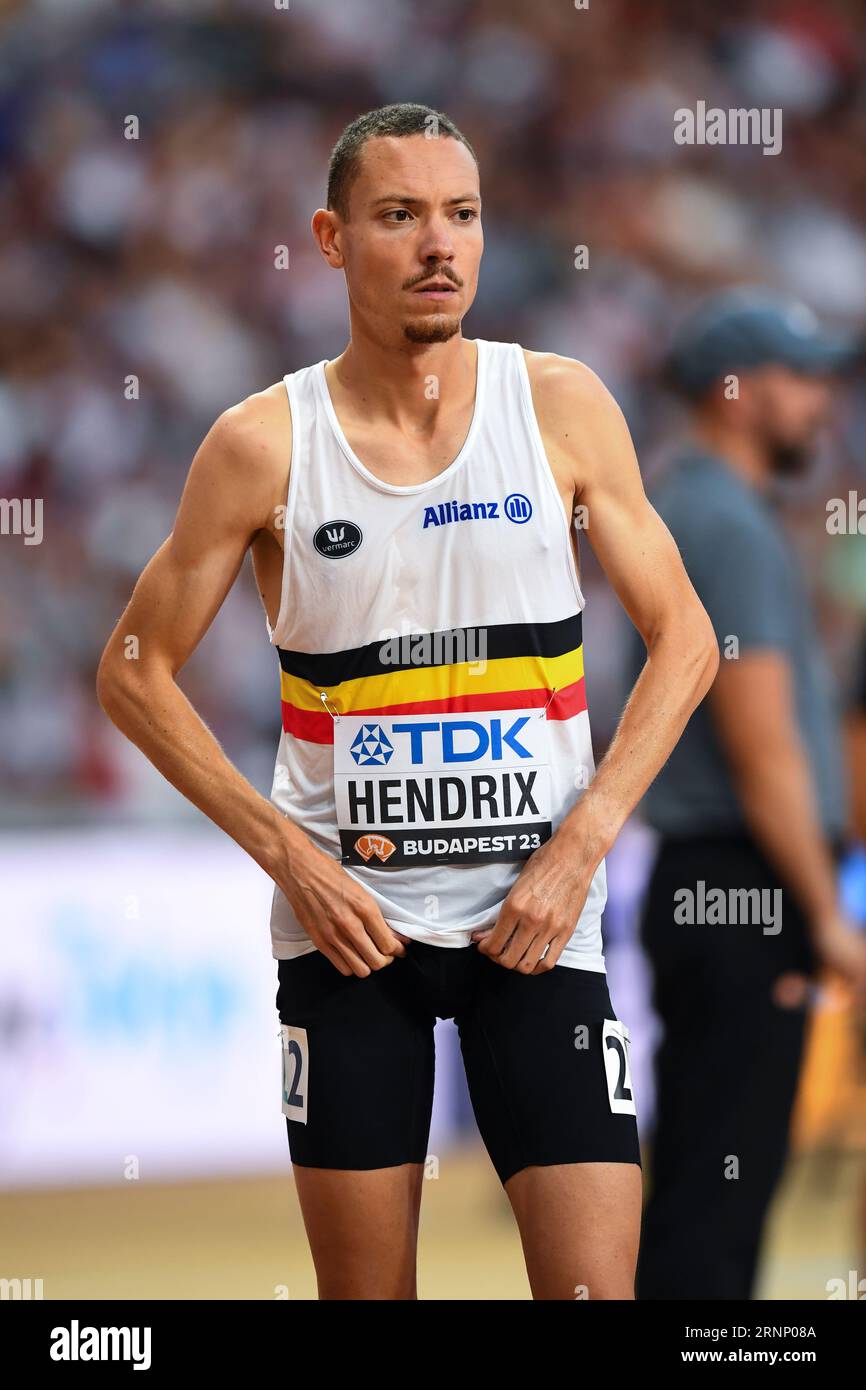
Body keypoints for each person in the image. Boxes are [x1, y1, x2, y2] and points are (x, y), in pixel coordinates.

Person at [96, 103, 718, 1300]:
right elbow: (131, 671)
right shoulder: (263, 443)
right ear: (332, 240)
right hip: (350, 938)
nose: (439, 245)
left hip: (536, 928)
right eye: (399, 216)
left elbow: (685, 637)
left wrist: (583, 840)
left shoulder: (557, 405)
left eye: (462, 215)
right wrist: (289, 854)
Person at [632, 289, 866, 1300]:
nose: (822, 402)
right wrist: (823, 909)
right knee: (719, 1200)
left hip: (707, 880)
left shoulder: (693, 507)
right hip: (740, 879)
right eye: (801, 379)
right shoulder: (723, 522)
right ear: (735, 394)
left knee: (698, 1178)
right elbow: (760, 744)